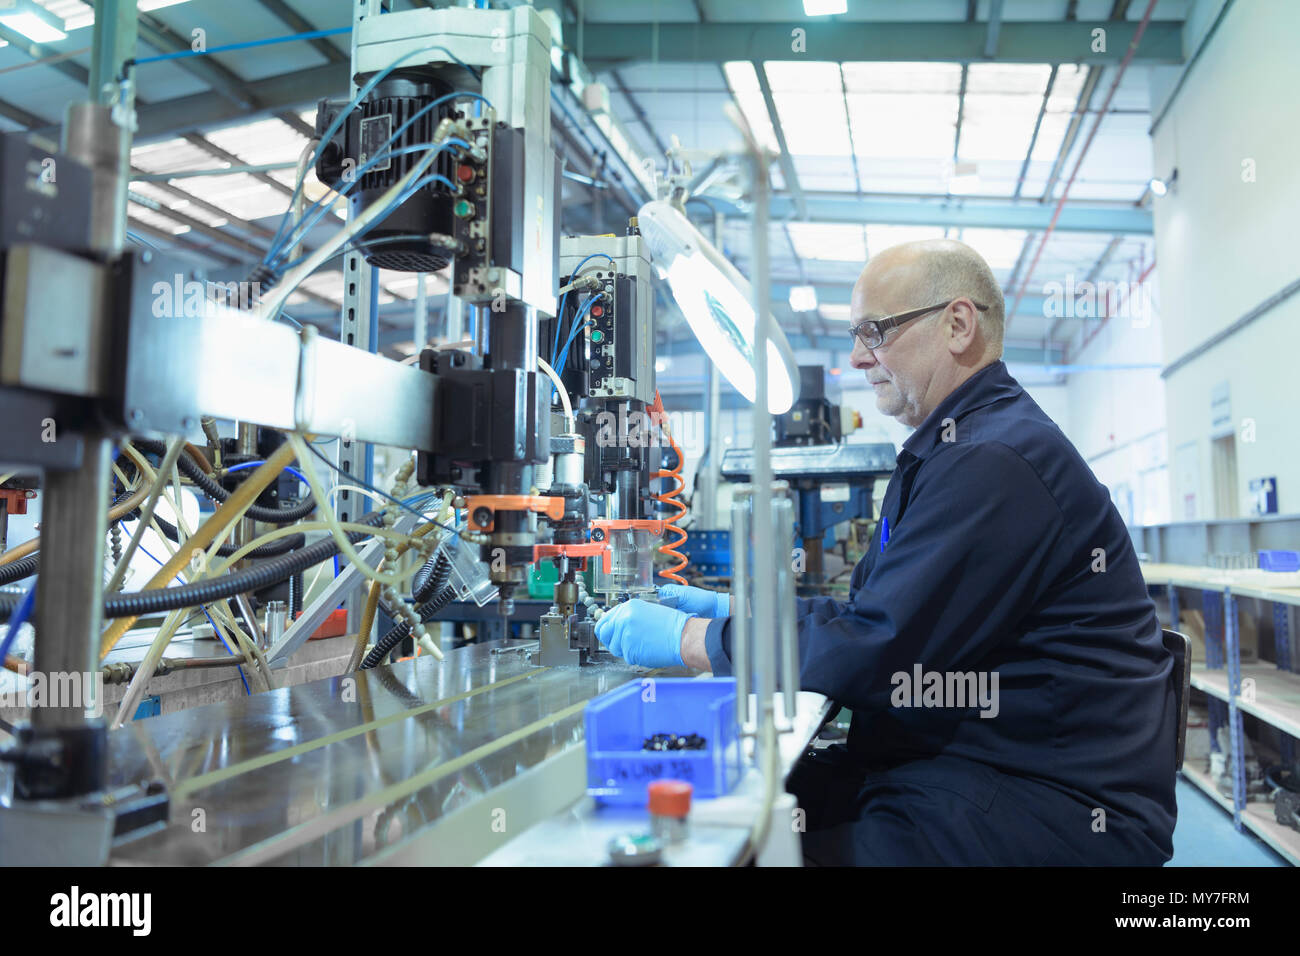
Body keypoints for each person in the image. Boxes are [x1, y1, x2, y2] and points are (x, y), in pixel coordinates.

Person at [594, 238, 1177, 865]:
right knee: (736, 802)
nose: (856, 356)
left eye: (876, 331)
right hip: (973, 759)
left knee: (744, 848)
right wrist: (728, 611)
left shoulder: (995, 460)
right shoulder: (948, 450)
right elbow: (869, 610)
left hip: (1046, 800)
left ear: (957, 324)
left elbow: (881, 648)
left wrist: (697, 641)